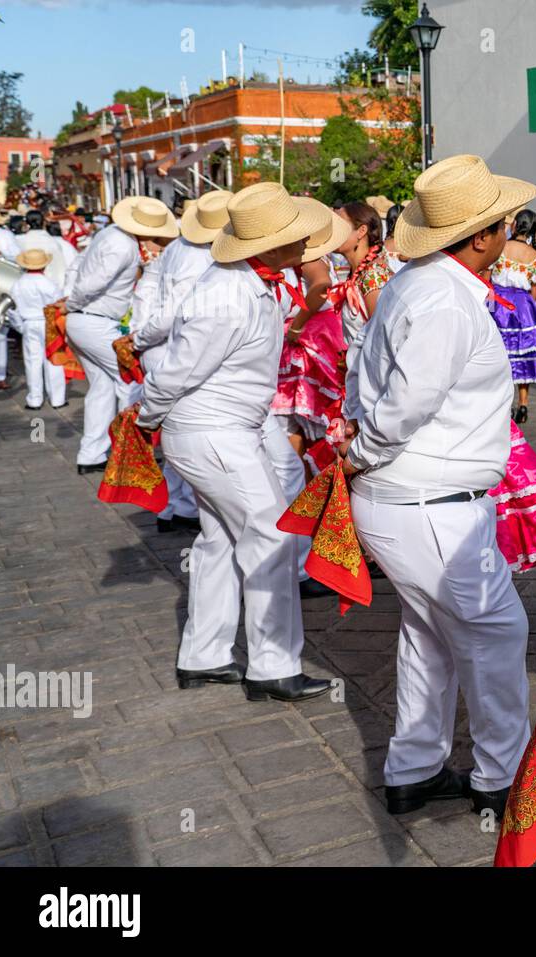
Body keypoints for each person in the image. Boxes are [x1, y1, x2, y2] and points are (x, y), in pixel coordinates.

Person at [340, 155, 536, 819]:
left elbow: (366, 378)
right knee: (495, 635)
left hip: (412, 500)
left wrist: (363, 453)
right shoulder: (446, 302)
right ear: (479, 238)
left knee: (429, 635)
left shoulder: (413, 284)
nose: (511, 230)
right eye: (502, 223)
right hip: (430, 505)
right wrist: (361, 453)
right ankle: (503, 780)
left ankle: (415, 767)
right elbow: (404, 406)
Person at [136, 181, 332, 702]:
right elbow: (178, 370)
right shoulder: (227, 295)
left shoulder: (250, 284)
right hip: (212, 431)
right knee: (272, 534)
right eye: (294, 238)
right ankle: (272, 665)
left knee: (220, 540)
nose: (304, 244)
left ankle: (205, 655)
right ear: (265, 246)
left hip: (219, 430)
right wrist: (147, 417)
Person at [121, 190, 232, 534]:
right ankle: (186, 506)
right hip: (175, 350)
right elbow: (173, 313)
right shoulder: (198, 257)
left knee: (178, 434)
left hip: (163, 346)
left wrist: (140, 330)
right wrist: (141, 337)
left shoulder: (179, 248)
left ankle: (175, 505)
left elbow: (147, 290)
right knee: (189, 431)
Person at [66, 196, 179, 473]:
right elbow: (94, 282)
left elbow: (79, 268)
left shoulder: (112, 235)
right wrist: (71, 303)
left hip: (86, 320)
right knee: (131, 381)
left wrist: (71, 305)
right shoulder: (123, 246)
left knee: (102, 388)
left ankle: (92, 454)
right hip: (95, 320)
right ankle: (132, 454)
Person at [272, 199, 350, 468]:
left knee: (312, 420)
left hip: (309, 340)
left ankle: (308, 487)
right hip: (310, 338)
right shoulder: (305, 257)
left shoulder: (309, 256)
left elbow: (321, 286)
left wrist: (297, 325)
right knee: (296, 420)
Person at [488, 209, 536, 422]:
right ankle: (524, 403)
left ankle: (505, 403)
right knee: (523, 352)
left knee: (502, 353)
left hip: (498, 302)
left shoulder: (500, 247)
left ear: (514, 225)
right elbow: (535, 290)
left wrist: (489, 307)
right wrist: (527, 308)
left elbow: (488, 276)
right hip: (523, 304)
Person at [332, 201, 392, 420]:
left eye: (339, 225)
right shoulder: (358, 273)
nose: (332, 232)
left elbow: (384, 337)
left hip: (374, 387)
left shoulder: (372, 275)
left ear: (361, 231)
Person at [6, 249, 66, 409]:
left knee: (32, 361)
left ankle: (34, 399)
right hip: (48, 323)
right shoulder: (48, 283)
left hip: (28, 323)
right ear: (44, 266)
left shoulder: (18, 284)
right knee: (53, 359)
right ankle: (57, 398)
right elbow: (58, 305)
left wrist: (21, 327)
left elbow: (12, 309)